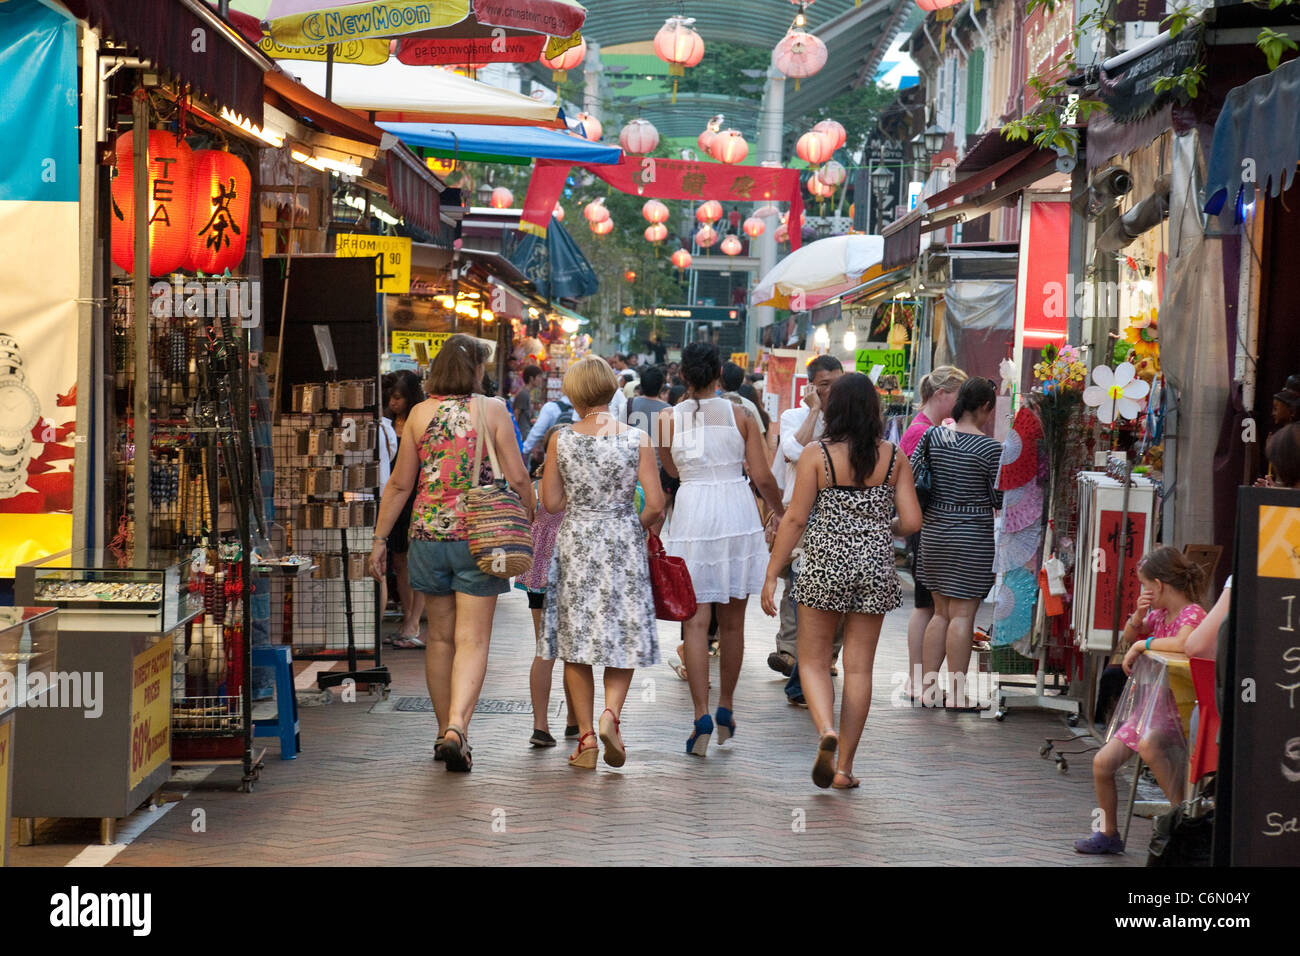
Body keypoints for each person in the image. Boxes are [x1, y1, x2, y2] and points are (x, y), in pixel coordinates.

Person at [368, 335, 535, 772]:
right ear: (475, 371)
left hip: (426, 539)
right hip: (481, 539)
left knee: (439, 638)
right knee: (473, 639)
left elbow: (401, 485)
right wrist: (529, 514)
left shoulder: (419, 415)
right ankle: (459, 726)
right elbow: (517, 477)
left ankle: (445, 730)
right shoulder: (492, 410)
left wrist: (380, 539)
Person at [762, 373, 922, 788]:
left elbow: (795, 519)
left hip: (823, 563)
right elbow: (913, 520)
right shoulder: (893, 456)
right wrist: (878, 526)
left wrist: (769, 574)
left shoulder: (818, 454)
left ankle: (825, 731)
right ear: (874, 410)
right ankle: (845, 768)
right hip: (874, 567)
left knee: (813, 660)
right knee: (859, 669)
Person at [659, 343, 785, 756]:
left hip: (694, 511)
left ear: (682, 378)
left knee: (695, 623)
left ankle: (700, 716)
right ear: (719, 375)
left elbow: (672, 470)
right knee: (733, 624)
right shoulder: (741, 415)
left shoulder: (666, 419)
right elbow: (763, 476)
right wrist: (781, 510)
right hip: (735, 511)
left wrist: (698, 474)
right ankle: (727, 706)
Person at [540, 357, 665, 770]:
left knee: (576, 642)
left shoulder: (561, 439)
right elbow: (657, 505)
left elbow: (552, 503)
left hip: (578, 540)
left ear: (575, 394)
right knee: (621, 635)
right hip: (623, 540)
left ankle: (588, 740)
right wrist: (632, 525)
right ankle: (611, 715)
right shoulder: (636, 439)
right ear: (613, 390)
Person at [1074, 547, 1207, 854]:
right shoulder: (1159, 614)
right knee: (1102, 763)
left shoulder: (1193, 614)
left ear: (1159, 585)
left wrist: (1142, 645)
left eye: (1146, 587)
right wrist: (1138, 617)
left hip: (1178, 709)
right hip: (1151, 709)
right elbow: (1128, 636)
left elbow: (1183, 643)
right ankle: (1108, 833)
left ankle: (1182, 818)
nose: (1144, 592)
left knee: (1149, 745)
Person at [910, 376, 1003, 709]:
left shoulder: (934, 436)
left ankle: (928, 689)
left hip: (934, 530)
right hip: (972, 535)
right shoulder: (992, 449)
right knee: (963, 616)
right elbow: (998, 497)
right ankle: (959, 695)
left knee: (940, 613)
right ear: (986, 407)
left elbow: (913, 472)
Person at [768, 355, 844, 688]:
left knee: (833, 590)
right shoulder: (794, 415)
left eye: (838, 383)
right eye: (826, 384)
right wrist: (814, 411)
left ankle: (825, 656)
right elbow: (793, 451)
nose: (833, 390)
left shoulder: (847, 418)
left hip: (833, 514)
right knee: (796, 584)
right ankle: (789, 651)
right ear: (811, 386)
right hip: (797, 511)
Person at [898, 365, 968, 701]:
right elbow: (912, 486)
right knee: (926, 606)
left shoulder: (934, 428)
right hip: (925, 526)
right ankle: (917, 679)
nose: (959, 404)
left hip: (928, 526)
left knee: (929, 607)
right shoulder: (920, 431)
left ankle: (922, 680)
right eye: (957, 396)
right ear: (941, 394)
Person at [516, 427, 577, 748]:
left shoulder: (535, 488)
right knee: (572, 650)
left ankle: (541, 725)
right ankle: (573, 720)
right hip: (572, 573)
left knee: (545, 649)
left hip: (538, 577)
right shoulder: (577, 487)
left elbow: (524, 523)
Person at [385, 370, 429, 649]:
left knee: (418, 562)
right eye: (390, 397)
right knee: (401, 561)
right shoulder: (387, 425)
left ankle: (414, 620)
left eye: (398, 397)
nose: (393, 402)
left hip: (417, 496)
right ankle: (406, 619)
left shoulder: (421, 422)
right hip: (395, 497)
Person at [521, 390, 577, 463]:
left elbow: (536, 433)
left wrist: (525, 450)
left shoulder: (551, 407)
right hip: (576, 461)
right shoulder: (586, 410)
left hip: (554, 459)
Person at [721, 361, 765, 435]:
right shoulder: (749, 405)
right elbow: (760, 436)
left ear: (720, 381)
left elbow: (699, 442)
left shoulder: (708, 406)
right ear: (741, 381)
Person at [513, 364, 543, 435]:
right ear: (531, 378)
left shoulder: (527, 393)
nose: (540, 379)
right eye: (539, 377)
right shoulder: (523, 394)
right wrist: (515, 433)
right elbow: (516, 414)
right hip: (522, 434)